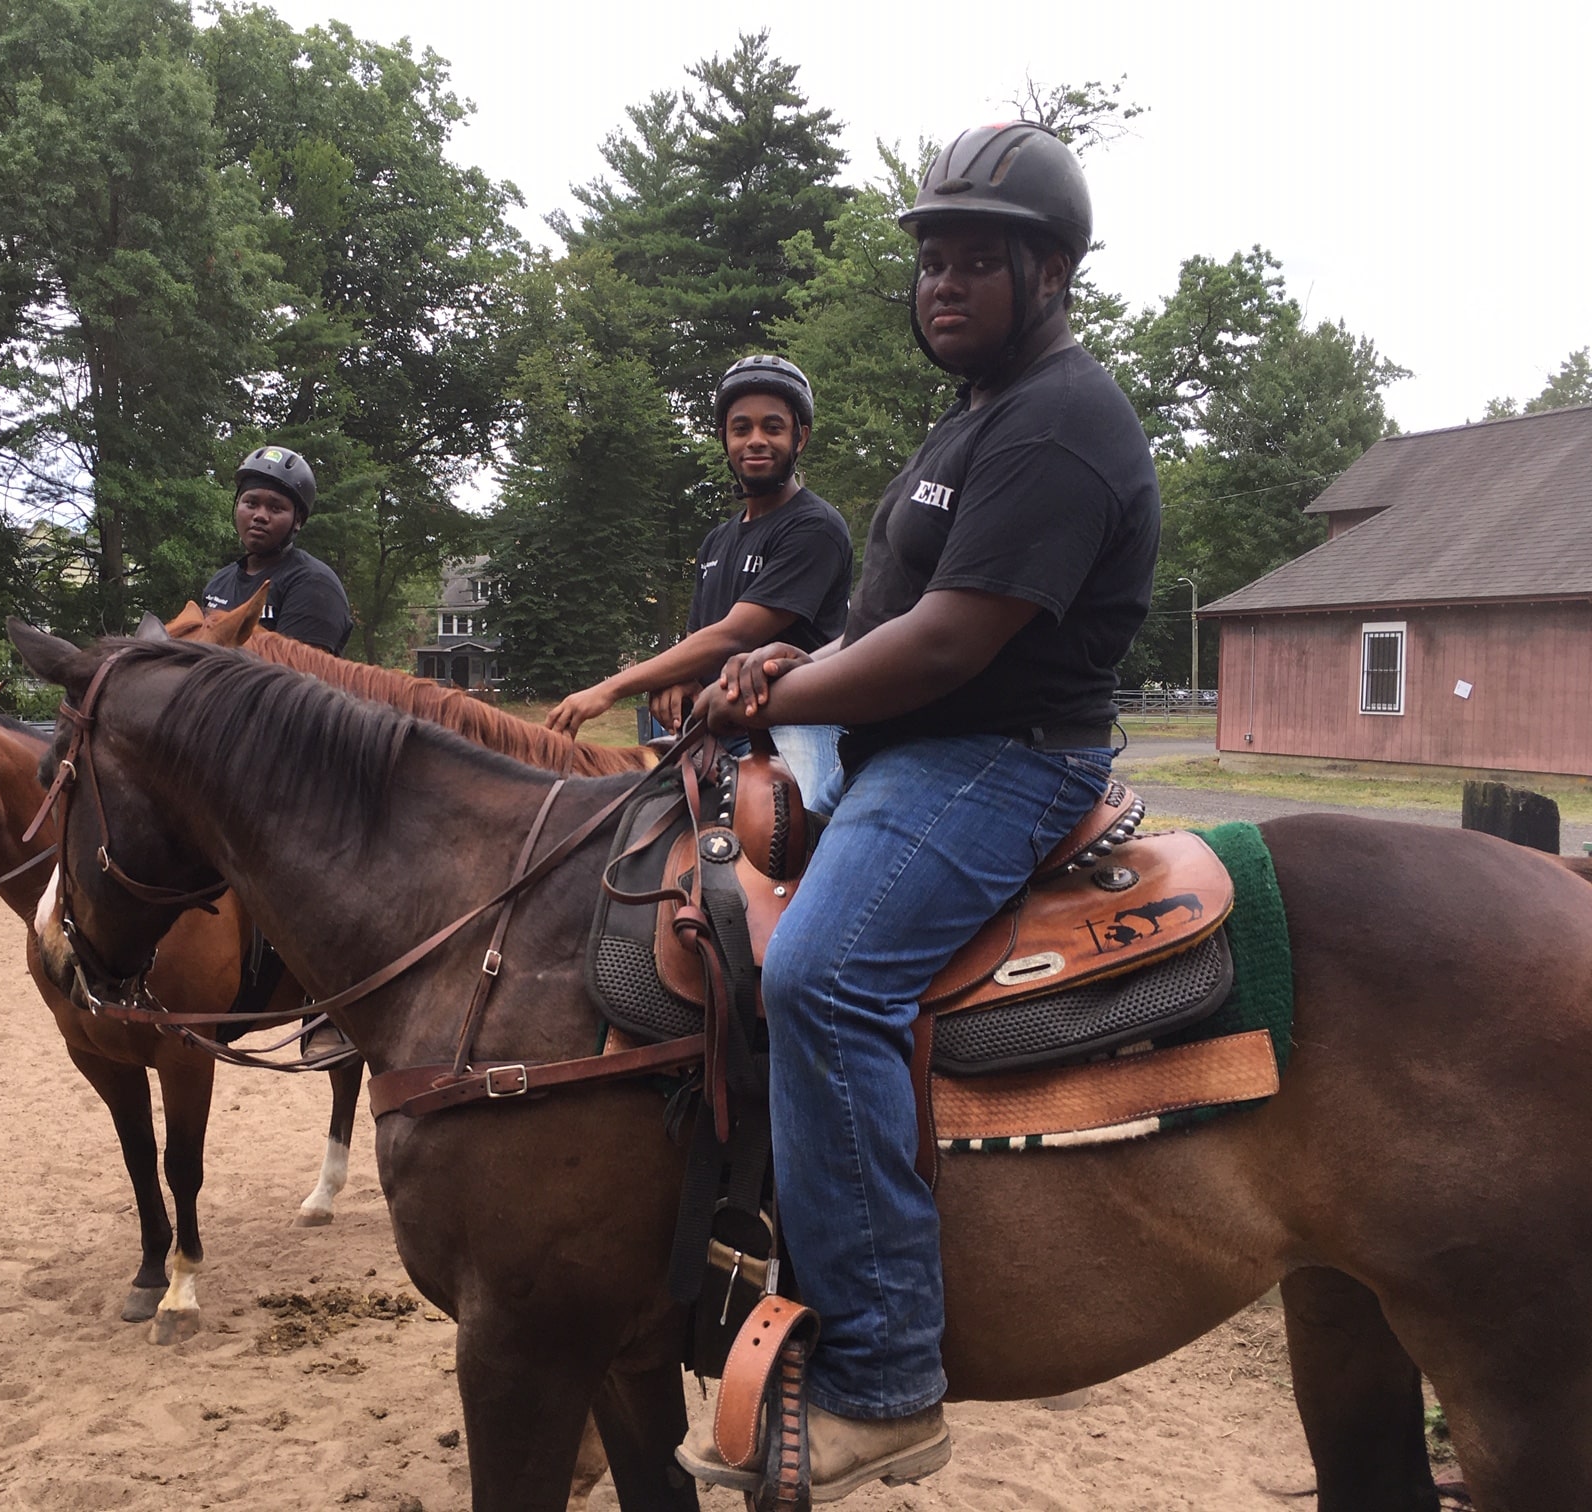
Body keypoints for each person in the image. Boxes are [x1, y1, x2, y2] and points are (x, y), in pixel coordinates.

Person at [676, 122, 1161, 1498]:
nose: (942, 285)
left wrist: (780, 698)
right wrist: (792, 660)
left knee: (823, 979)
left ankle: (885, 1377)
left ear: (1052, 271)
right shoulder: (979, 414)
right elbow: (889, 610)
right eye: (930, 262)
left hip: (998, 759)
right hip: (917, 747)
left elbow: (951, 643)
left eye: (976, 263)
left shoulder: (1062, 422)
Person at [543, 356, 852, 813]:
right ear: (725, 439)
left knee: (791, 836)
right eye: (741, 428)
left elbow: (737, 634)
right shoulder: (716, 542)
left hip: (796, 722)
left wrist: (606, 690)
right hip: (714, 725)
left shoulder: (815, 527)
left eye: (773, 427)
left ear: (799, 437)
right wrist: (679, 678)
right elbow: (702, 639)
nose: (756, 441)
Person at [202, 445, 353, 656]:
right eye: (251, 503)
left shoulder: (314, 585)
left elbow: (294, 679)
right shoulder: (219, 583)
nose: (260, 516)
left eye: (276, 508)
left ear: (297, 520)